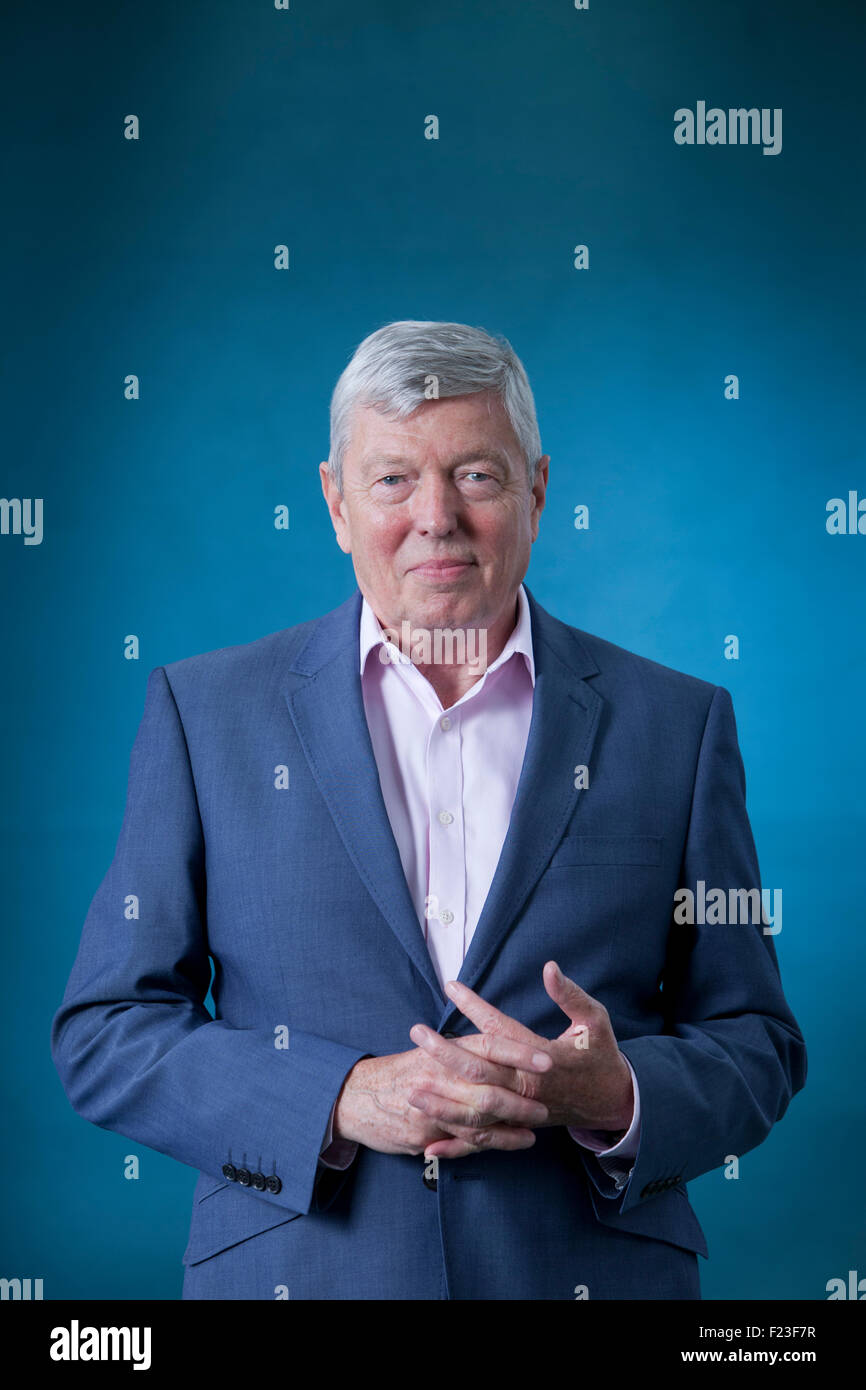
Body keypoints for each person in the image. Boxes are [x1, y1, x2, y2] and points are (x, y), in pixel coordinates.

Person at [51, 320, 807, 1300]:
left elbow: (754, 1038)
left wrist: (613, 1093)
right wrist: (337, 1096)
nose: (435, 517)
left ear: (536, 490)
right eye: (392, 480)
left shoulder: (678, 722)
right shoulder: (205, 714)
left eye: (477, 477)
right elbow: (108, 1029)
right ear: (333, 500)